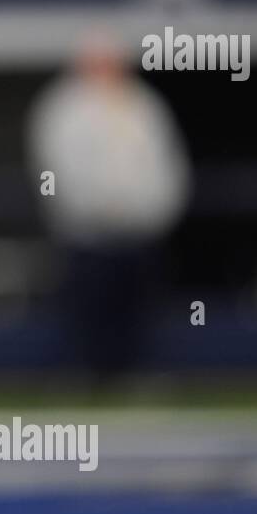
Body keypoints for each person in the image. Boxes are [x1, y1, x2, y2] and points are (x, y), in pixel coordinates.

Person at [26, 29, 191, 381]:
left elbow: (168, 166)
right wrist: (98, 209)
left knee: (142, 314)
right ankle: (86, 377)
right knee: (89, 313)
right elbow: (58, 170)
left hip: (142, 233)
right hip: (88, 236)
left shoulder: (144, 105)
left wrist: (155, 213)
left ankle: (141, 376)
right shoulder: (63, 109)